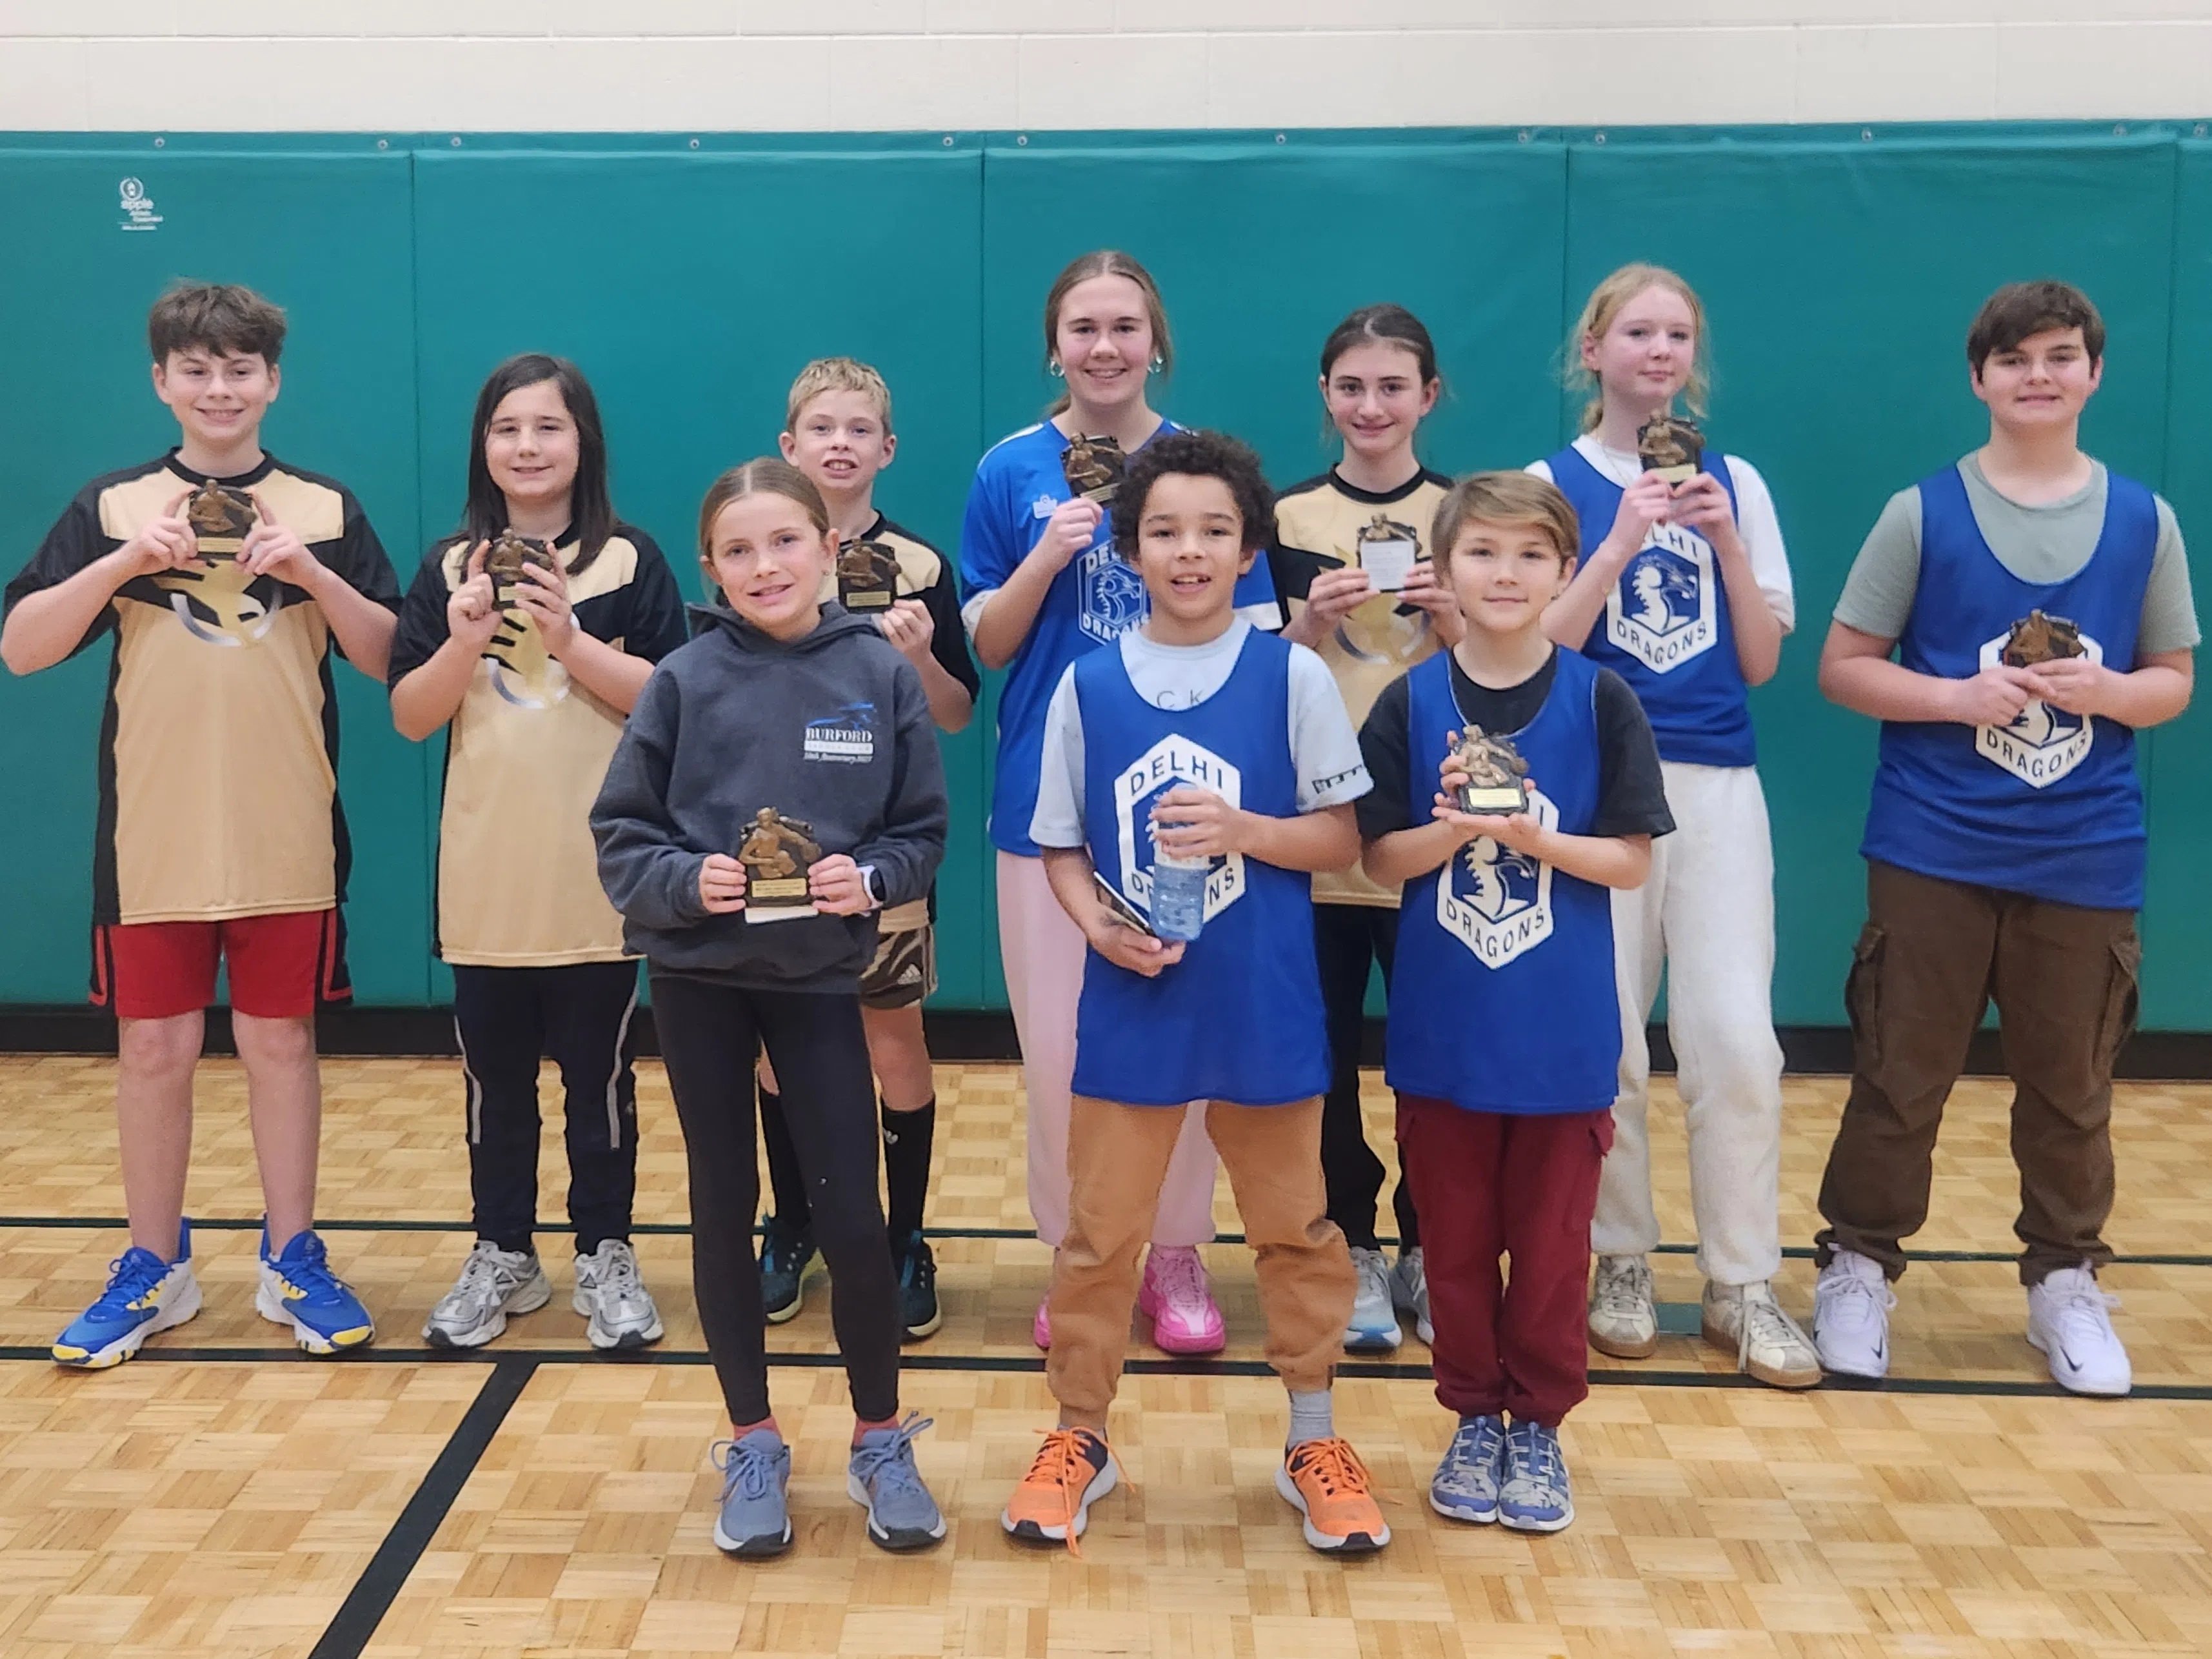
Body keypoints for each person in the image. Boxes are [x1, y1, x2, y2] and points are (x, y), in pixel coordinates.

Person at [1001, 428, 1388, 1556]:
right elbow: (1061, 848)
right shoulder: (1088, 681)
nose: (1189, 550)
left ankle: (1312, 1436)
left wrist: (1247, 829)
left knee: (1295, 1228)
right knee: (1099, 1236)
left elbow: (1339, 838)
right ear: (1130, 548)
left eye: (1214, 530)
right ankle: (1082, 1434)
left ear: (1249, 545)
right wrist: (1095, 927)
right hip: (1136, 999)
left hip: (1262, 998)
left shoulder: (1295, 673)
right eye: (1165, 530)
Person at [1809, 280, 2197, 1398]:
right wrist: (1950, 698)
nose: (2039, 374)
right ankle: (1861, 1264)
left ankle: (2066, 1278)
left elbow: (2172, 684)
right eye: (2015, 358)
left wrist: (2110, 687)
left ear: (2093, 374)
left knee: (2072, 1087)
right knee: (1900, 1072)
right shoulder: (1921, 512)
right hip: (1934, 842)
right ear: (1979, 378)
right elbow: (1844, 666)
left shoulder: (2144, 519)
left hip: (2083, 848)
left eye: (2061, 356)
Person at [3, 281, 398, 1367]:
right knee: (154, 1049)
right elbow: (22, 644)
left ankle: (292, 1255)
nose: (218, 388)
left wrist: (311, 571)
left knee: (282, 1044)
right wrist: (129, 561)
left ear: (273, 381)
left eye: (239, 369)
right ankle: (154, 1264)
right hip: (153, 843)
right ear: (162, 381)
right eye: (196, 368)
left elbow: (389, 661)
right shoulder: (115, 504)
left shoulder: (323, 507)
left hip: (286, 835)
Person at [592, 458, 949, 1556]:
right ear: (712, 567)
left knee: (851, 1217)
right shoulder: (682, 679)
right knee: (721, 1206)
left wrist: (873, 879)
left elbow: (919, 830)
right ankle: (752, 1438)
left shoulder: (878, 676)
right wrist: (682, 882)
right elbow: (622, 837)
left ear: (827, 549)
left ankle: (881, 1435)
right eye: (739, 550)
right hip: (699, 981)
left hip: (819, 981)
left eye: (785, 543)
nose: (765, 566)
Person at [959, 250, 1280, 1354]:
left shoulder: (1201, 468)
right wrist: (1047, 559)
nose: (1104, 346)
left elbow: (1263, 634)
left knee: (1180, 1041)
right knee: (1060, 1051)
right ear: (1056, 343)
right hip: (1045, 801)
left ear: (1157, 342)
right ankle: (1083, 1253)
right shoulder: (1010, 470)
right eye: (1084, 327)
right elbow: (993, 644)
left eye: (1125, 327)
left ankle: (1178, 1251)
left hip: (1185, 796)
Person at [1358, 470, 1671, 1534]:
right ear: (1442, 571)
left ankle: (1536, 1420)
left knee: (1550, 1247)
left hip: (1561, 1035)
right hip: (1445, 1032)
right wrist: (1450, 832)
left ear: (1565, 570)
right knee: (1450, 1240)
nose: (1506, 572)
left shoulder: (1603, 699)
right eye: (1482, 553)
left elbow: (1630, 861)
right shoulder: (1408, 700)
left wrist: (1537, 837)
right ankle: (1470, 1413)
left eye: (1530, 554)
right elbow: (1377, 859)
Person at [1529, 263, 1818, 1389]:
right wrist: (1616, 541)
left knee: (1736, 1036)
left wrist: (1723, 540)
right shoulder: (1548, 484)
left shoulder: (1734, 481)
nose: (1660, 351)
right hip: (1594, 786)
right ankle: (1620, 1260)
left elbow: (1759, 658)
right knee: (1604, 1043)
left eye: (1679, 334)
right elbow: (1537, 646)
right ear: (1591, 351)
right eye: (1637, 332)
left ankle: (1743, 1279)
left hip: (1716, 787)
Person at [388, 354, 687, 1351]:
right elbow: (410, 715)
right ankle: (502, 1252)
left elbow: (669, 699)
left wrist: (567, 638)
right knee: (496, 1084)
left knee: (599, 1083)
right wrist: (463, 640)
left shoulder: (630, 561)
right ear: (484, 445)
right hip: (484, 877)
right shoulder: (446, 569)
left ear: (581, 443)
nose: (527, 445)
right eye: (508, 427)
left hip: (597, 880)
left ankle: (606, 1250)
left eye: (547, 427)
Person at [753, 357, 979, 1342]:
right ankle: (793, 1223)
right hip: (774, 848)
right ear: (788, 445)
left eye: (859, 429)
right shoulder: (755, 546)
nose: (839, 442)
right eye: (820, 427)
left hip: (880, 848)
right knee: (776, 1045)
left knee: (892, 1036)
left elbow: (960, 714)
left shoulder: (923, 569)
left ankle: (904, 1238)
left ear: (887, 449)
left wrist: (920, 653)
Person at [1273, 303, 1458, 1352]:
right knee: (1326, 1059)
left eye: (1394, 386)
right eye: (1352, 386)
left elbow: (1510, 660)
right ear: (1327, 396)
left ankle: (1430, 1242)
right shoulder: (1292, 518)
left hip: (1432, 821)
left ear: (1428, 395)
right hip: (1320, 823)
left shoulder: (1463, 510)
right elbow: (1265, 666)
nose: (1372, 405)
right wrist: (1308, 622)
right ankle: (1351, 1243)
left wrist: (1458, 618)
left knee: (1430, 1052)